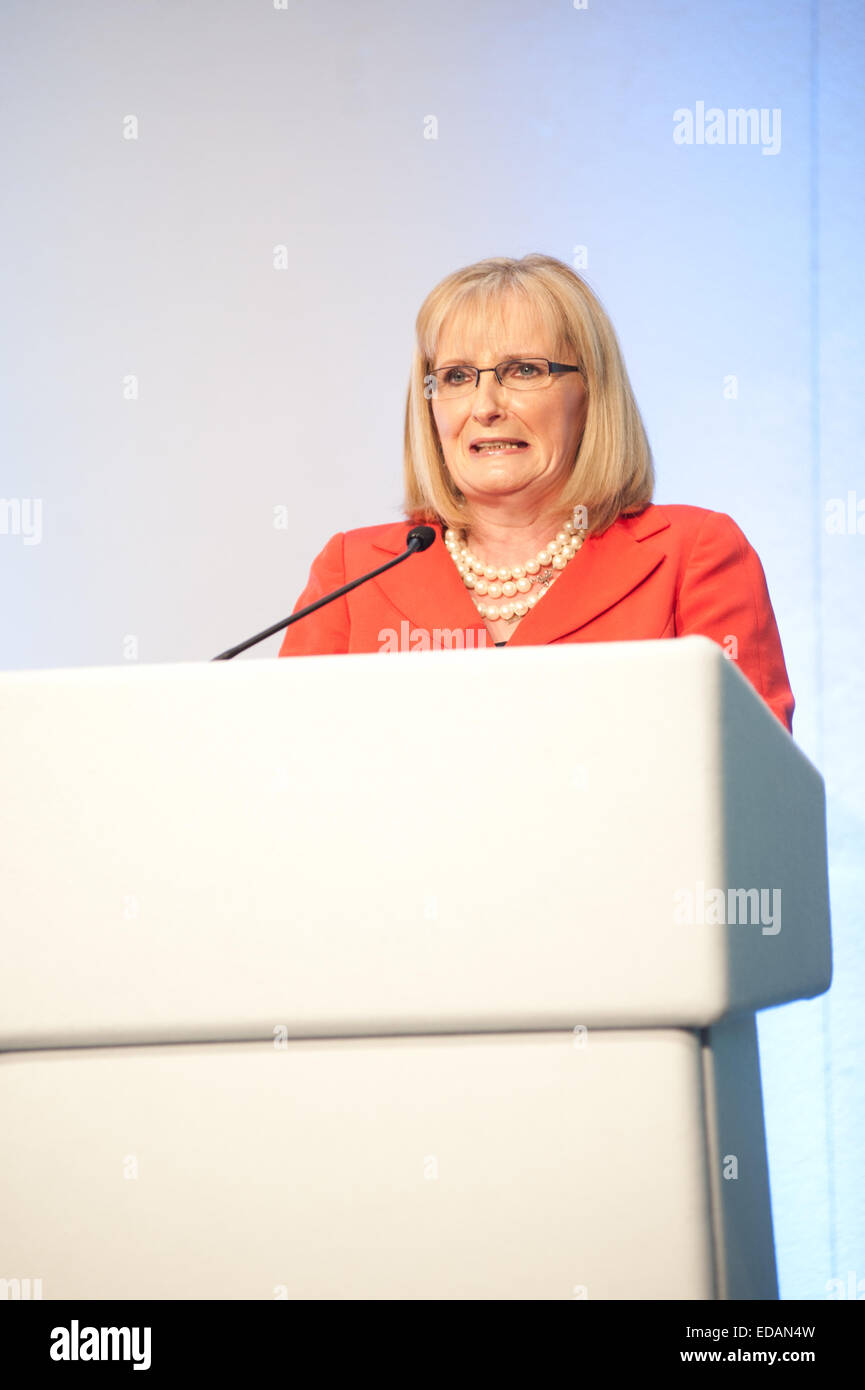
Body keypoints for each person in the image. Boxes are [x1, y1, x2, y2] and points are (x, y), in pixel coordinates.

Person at [278, 253, 794, 733]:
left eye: (524, 370)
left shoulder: (694, 556)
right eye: (456, 376)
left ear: (591, 393)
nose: (484, 406)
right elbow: (283, 770)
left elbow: (750, 786)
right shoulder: (351, 572)